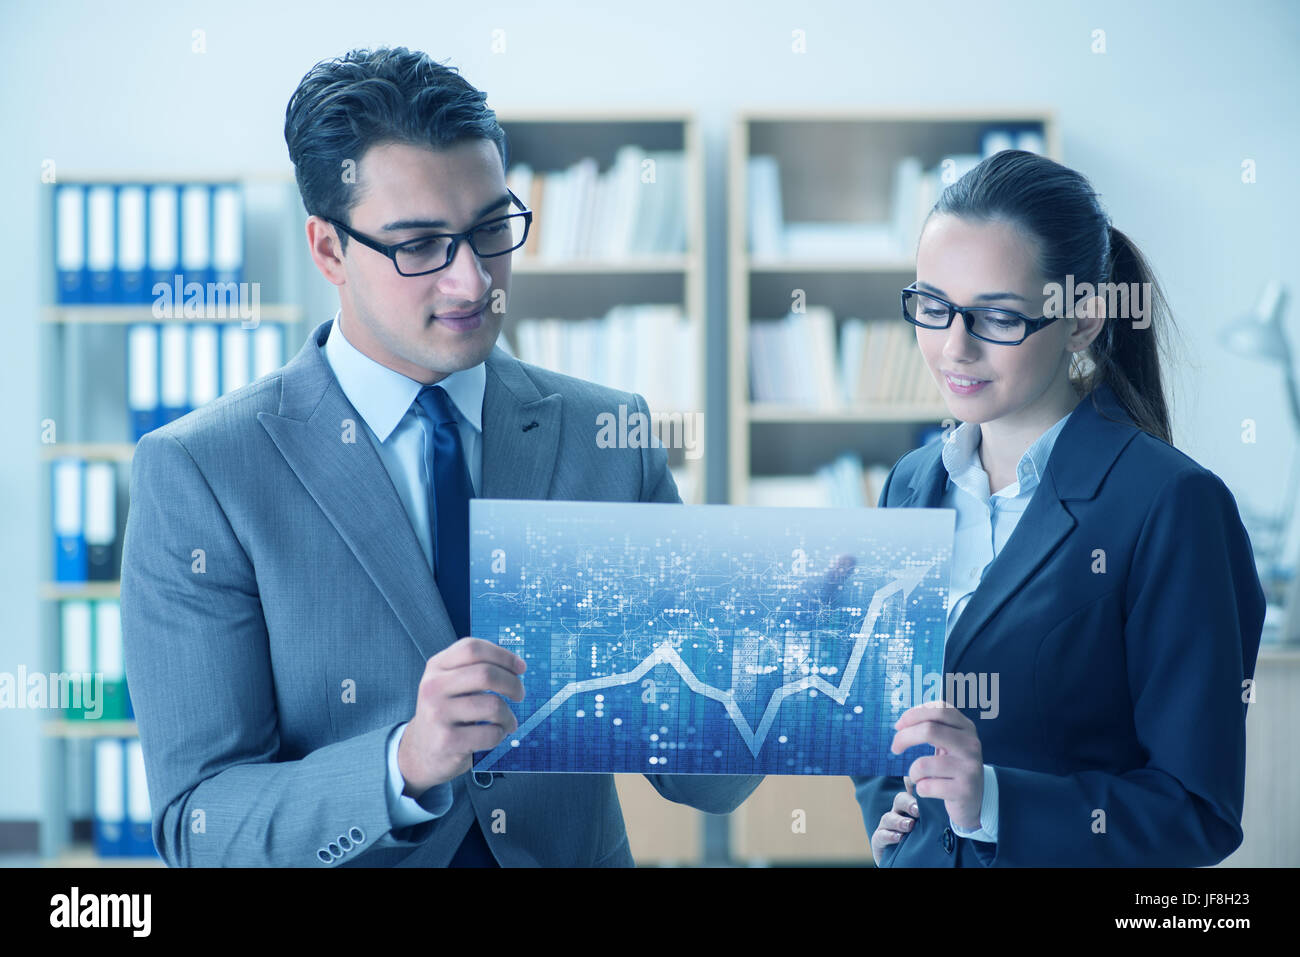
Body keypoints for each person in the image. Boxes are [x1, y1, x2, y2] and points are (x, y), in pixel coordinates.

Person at [120, 46, 760, 867]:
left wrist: (759, 668)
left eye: (492, 228)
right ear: (327, 251)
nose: (472, 283)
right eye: (420, 244)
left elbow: (706, 781)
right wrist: (404, 763)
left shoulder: (610, 437)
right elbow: (199, 824)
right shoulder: (203, 473)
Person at [854, 150, 1265, 867]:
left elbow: (1198, 809)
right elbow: (895, 732)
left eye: (998, 318)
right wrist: (892, 807)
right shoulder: (910, 484)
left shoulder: (1171, 505)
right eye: (932, 306)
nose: (955, 346)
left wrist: (992, 802)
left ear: (1081, 323)